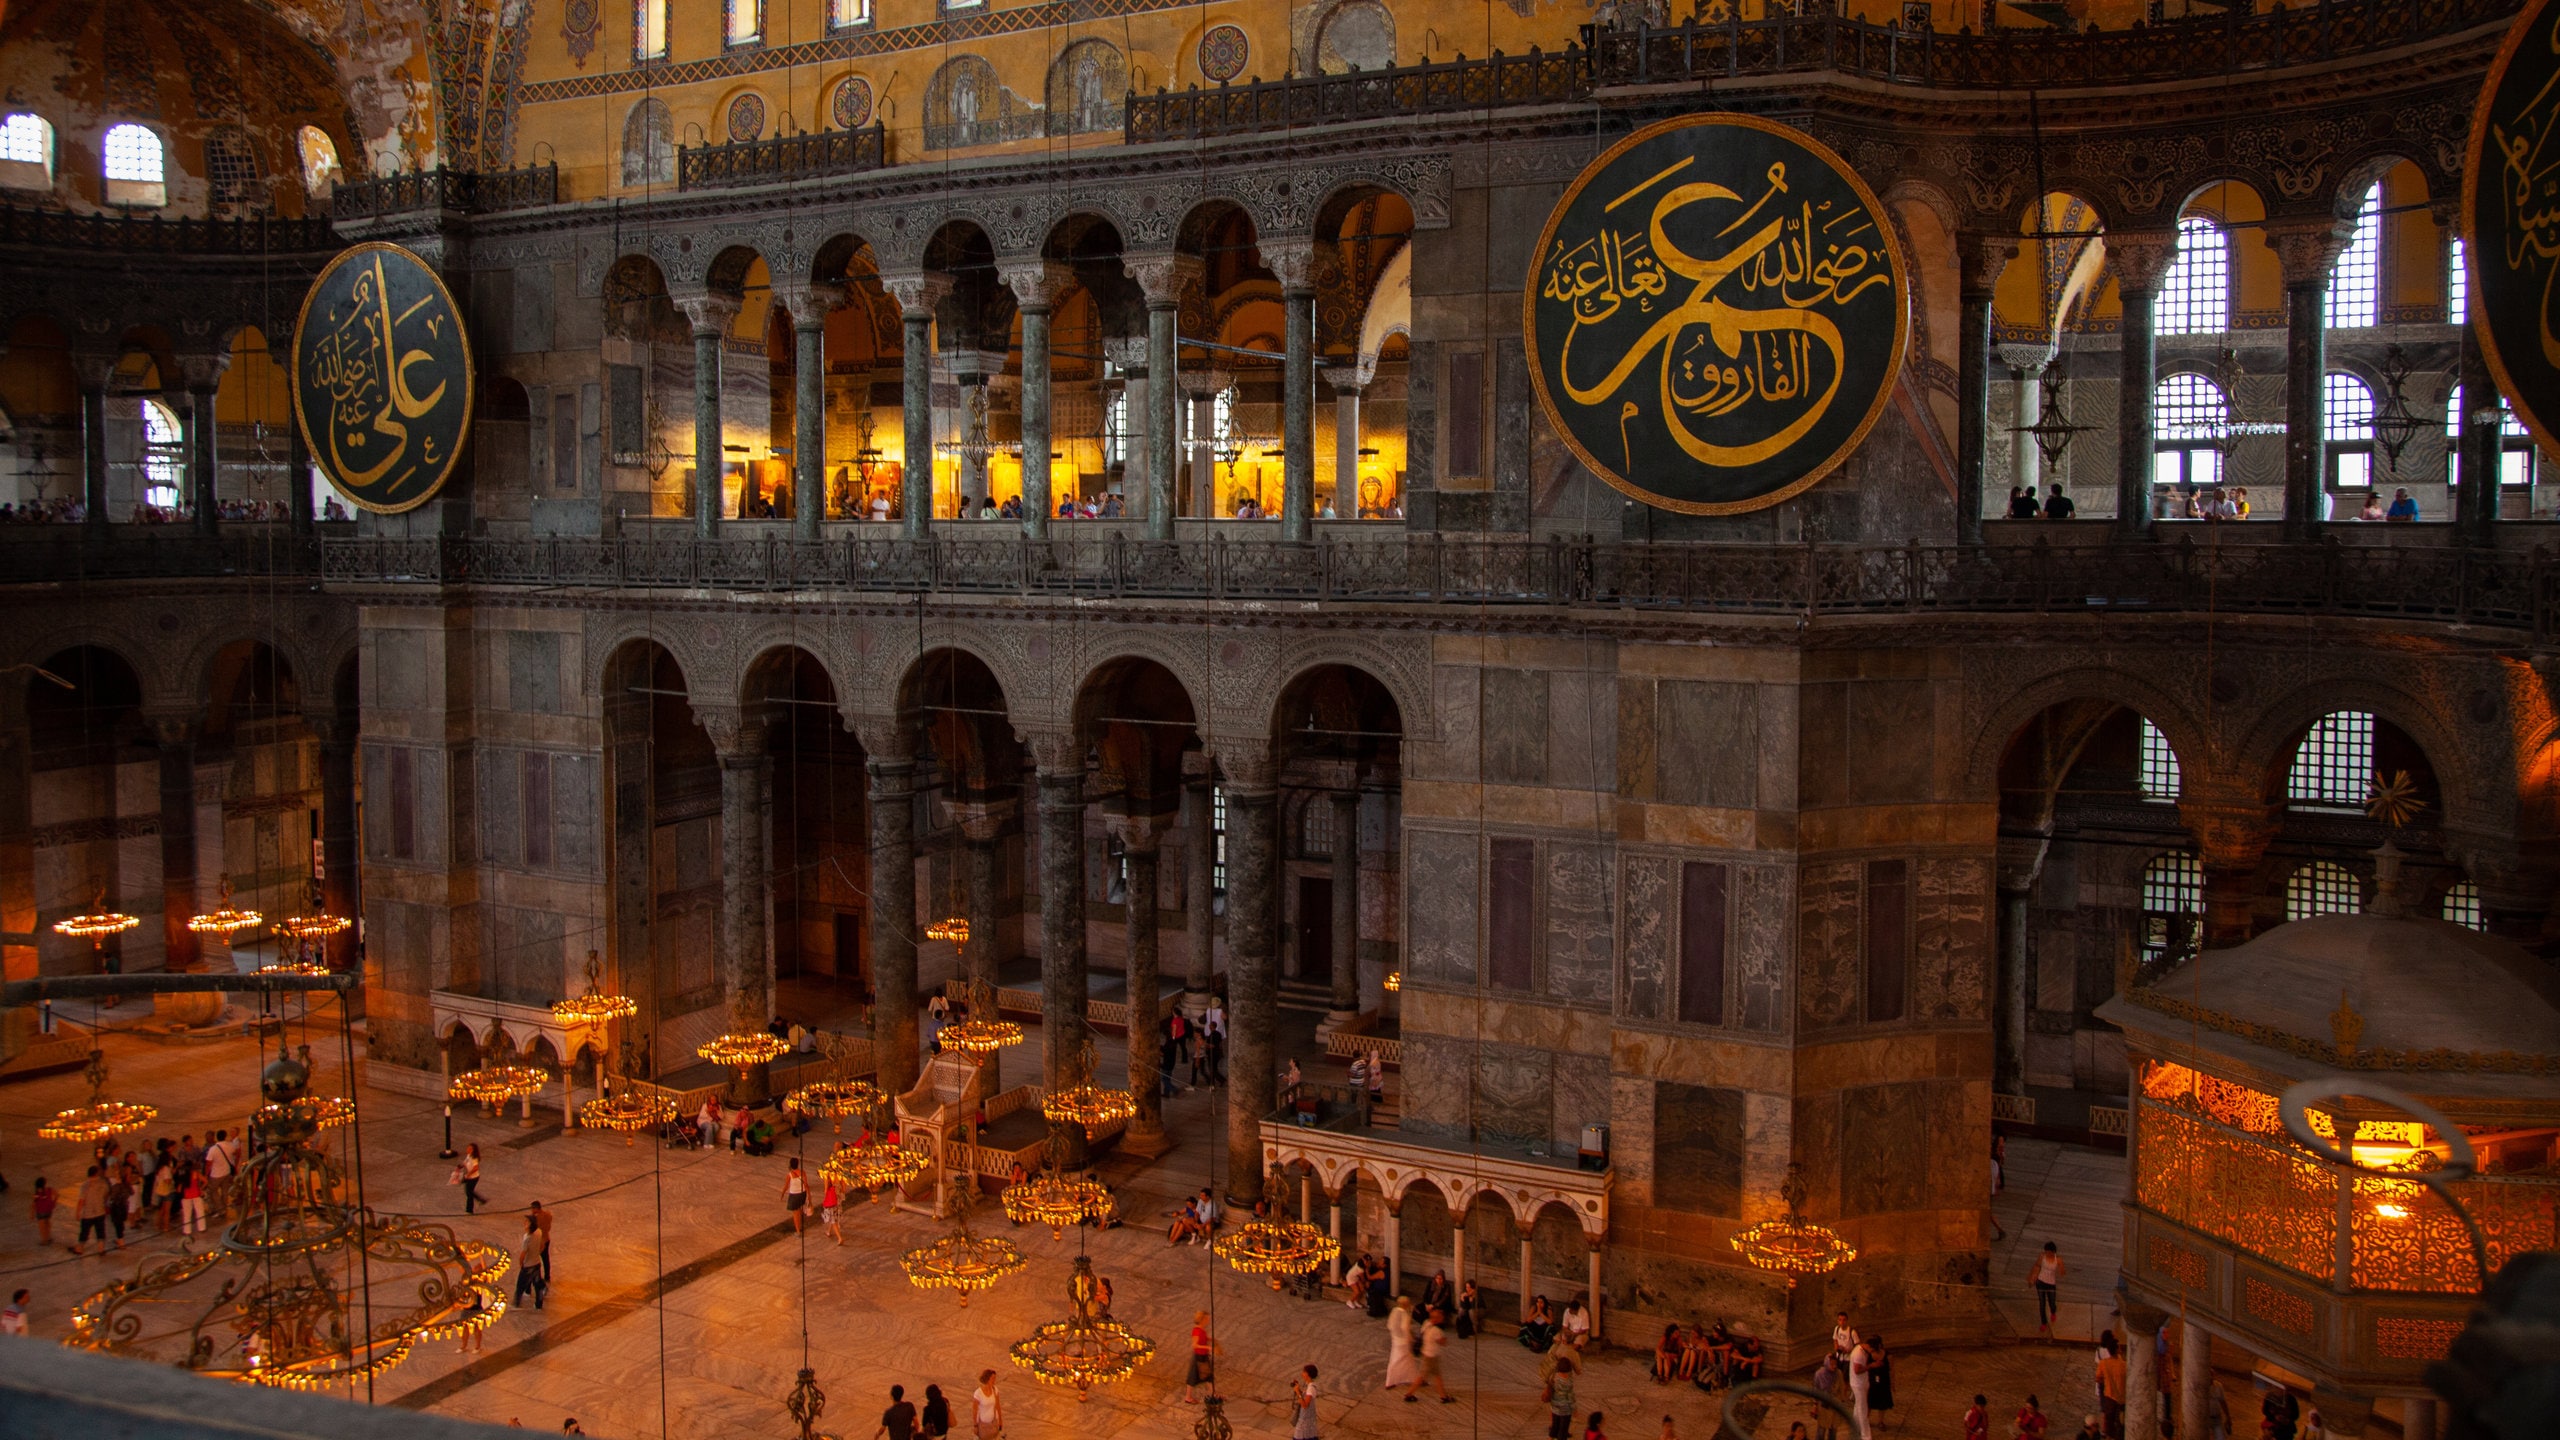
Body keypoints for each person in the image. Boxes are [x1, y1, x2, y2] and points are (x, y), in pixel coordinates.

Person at [1406, 1307, 1455, 1404]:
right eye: (1441, 1317)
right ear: (1437, 1319)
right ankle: (1409, 1394)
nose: (1443, 1318)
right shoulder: (1436, 1331)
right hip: (1431, 1356)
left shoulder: (1426, 1323)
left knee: (1437, 1375)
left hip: (1427, 1353)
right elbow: (1443, 1342)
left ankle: (1443, 1396)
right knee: (1422, 1376)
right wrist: (1443, 1339)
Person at [512, 1214, 549, 1310]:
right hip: (536, 1263)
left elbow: (523, 1254)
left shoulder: (527, 1238)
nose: (525, 1223)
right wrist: (537, 1253)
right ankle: (538, 1304)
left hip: (528, 1266)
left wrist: (521, 1264)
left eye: (527, 1222)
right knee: (537, 1285)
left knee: (520, 1285)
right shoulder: (538, 1232)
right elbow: (542, 1245)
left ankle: (516, 1303)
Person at [1385, 1296, 1421, 1390]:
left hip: (1395, 1339)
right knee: (1400, 1360)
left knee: (1404, 1360)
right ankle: (1391, 1381)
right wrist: (1411, 1338)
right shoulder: (1404, 1314)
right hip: (1403, 1341)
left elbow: (1390, 1325)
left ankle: (1412, 1378)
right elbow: (1405, 1328)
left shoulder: (1394, 1311)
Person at [71, 1164, 108, 1254]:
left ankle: (79, 1248)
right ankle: (101, 1249)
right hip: (100, 1211)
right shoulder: (103, 1183)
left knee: (84, 1232)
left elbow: (81, 1200)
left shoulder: (85, 1185)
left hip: (88, 1213)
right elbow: (106, 1195)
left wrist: (77, 1212)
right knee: (100, 1231)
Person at [1182, 1310, 1218, 1402]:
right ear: (1202, 1319)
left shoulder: (1201, 1330)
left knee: (1208, 1376)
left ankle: (1213, 1393)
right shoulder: (1197, 1331)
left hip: (1203, 1356)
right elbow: (1194, 1345)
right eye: (1206, 1319)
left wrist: (1210, 1339)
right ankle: (1188, 1397)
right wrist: (1208, 1347)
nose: (1208, 1321)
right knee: (1193, 1376)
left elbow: (1203, 1339)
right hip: (1198, 1357)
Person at [1540, 1350, 1578, 1436]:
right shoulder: (1569, 1382)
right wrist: (1574, 1408)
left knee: (1555, 1424)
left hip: (1555, 1405)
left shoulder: (1554, 1377)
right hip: (1566, 1408)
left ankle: (1552, 1436)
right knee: (1563, 1428)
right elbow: (1570, 1397)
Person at [1848, 1334, 1875, 1440]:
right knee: (1862, 1409)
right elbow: (1857, 1370)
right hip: (1857, 1384)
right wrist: (1870, 1366)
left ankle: (1855, 1426)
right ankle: (1866, 1435)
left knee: (1858, 1406)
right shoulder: (1858, 1353)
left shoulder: (1863, 1351)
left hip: (1862, 1382)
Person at [2034, 1241, 2065, 1333]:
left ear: (2053, 1251)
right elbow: (2037, 1266)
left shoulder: (2058, 1259)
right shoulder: (2042, 1256)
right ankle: (2043, 1322)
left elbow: (2062, 1272)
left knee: (2052, 1302)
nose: (2047, 1253)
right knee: (2042, 1304)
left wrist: (2061, 1270)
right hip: (2040, 1282)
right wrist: (2034, 1277)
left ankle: (2053, 1311)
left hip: (2051, 1283)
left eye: (2048, 1251)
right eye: (2046, 1251)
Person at [1292, 1363, 1323, 1440]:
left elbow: (1305, 1405)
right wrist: (1298, 1389)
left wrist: (1298, 1393)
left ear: (1308, 1374)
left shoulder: (1311, 1388)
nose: (1302, 1374)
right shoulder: (1308, 1385)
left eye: (1304, 1372)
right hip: (1307, 1417)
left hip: (1305, 1418)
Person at [970, 1370, 1003, 1439]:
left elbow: (998, 1406)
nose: (994, 1380)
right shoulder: (978, 1393)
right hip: (983, 1424)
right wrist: (975, 1425)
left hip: (993, 1422)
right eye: (993, 1378)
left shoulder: (995, 1390)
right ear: (987, 1378)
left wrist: (1000, 1420)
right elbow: (974, 1410)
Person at [529, 1200, 555, 1283]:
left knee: (536, 1260)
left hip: (539, 1241)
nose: (531, 1210)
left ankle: (538, 1278)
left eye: (532, 1208)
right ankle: (547, 1276)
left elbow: (531, 1228)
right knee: (545, 1259)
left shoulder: (536, 1218)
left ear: (536, 1208)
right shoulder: (547, 1215)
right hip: (546, 1239)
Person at [783, 1158, 808, 1231]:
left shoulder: (790, 1175)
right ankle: (800, 1226)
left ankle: (798, 1230)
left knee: (795, 1214)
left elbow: (786, 1186)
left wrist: (782, 1194)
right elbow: (806, 1185)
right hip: (802, 1193)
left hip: (794, 1195)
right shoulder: (803, 1172)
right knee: (799, 1211)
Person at [31, 1176, 55, 1246]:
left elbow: (33, 1204)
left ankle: (44, 1240)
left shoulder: (37, 1194)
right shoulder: (50, 1190)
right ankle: (49, 1237)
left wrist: (32, 1214)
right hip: (48, 1211)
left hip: (40, 1212)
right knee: (47, 1223)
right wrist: (53, 1202)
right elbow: (57, 1195)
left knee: (42, 1227)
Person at [460, 1143, 483, 1214]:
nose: (468, 1149)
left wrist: (468, 1174)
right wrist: (460, 1166)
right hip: (469, 1177)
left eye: (470, 1149)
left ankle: (469, 1210)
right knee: (469, 1192)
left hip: (473, 1178)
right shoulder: (469, 1156)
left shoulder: (474, 1158)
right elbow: (465, 1162)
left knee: (469, 1193)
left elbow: (475, 1168)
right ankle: (480, 1200)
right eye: (468, 1148)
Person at [820, 1176, 843, 1244]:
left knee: (832, 1220)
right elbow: (843, 1189)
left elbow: (826, 1190)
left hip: (830, 1202)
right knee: (833, 1216)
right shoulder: (839, 1176)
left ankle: (839, 1238)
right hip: (837, 1199)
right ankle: (828, 1231)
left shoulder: (827, 1177)